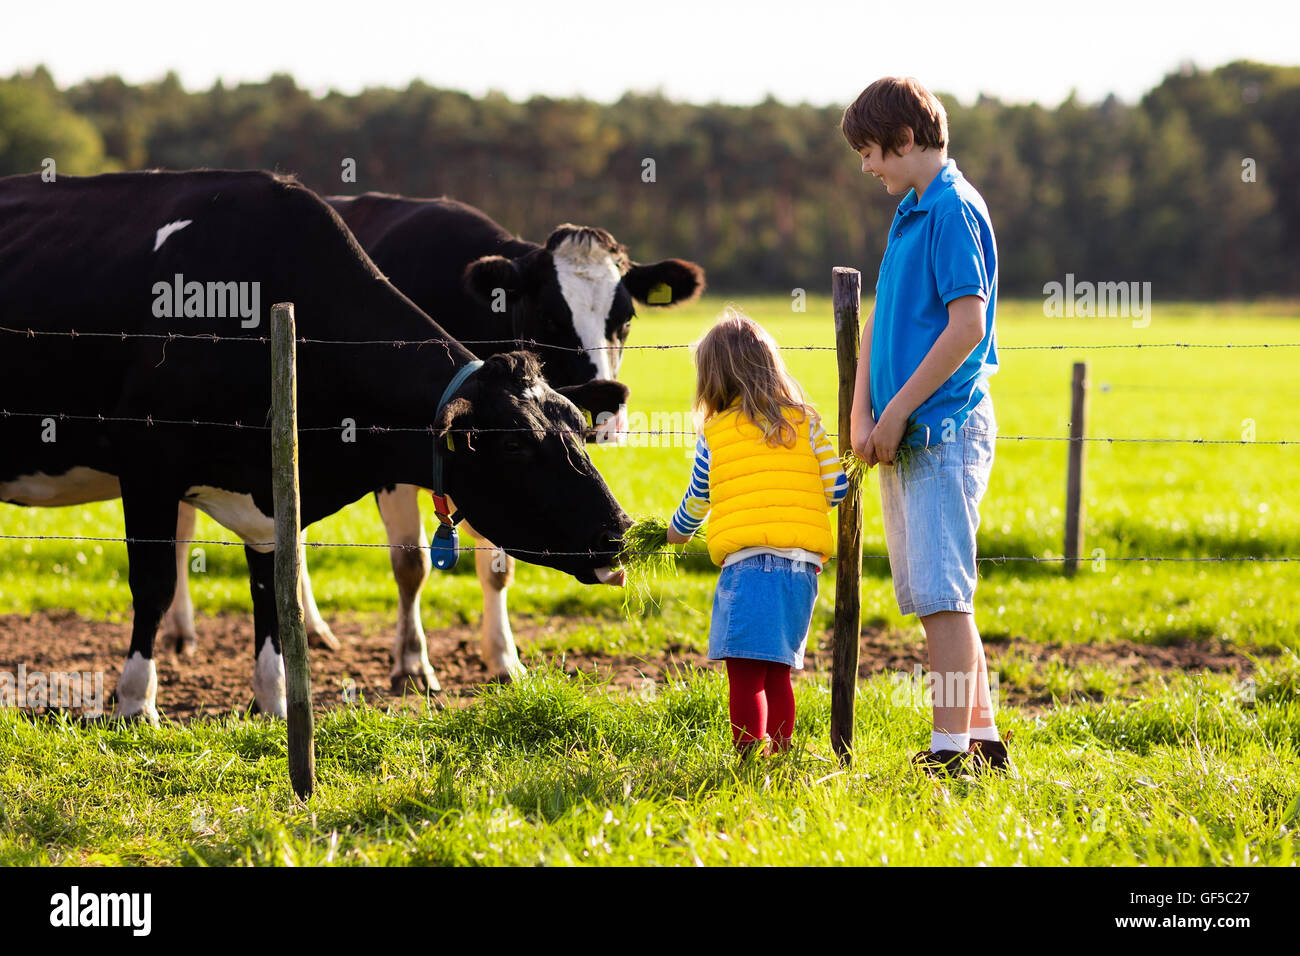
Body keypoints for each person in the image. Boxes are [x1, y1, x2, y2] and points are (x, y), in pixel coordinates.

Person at [841, 76, 1012, 775]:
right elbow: (883, 313)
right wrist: (861, 410)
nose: (866, 166)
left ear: (907, 140)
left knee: (944, 598)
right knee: (935, 595)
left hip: (942, 429)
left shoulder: (952, 209)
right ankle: (985, 740)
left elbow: (968, 325)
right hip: (902, 432)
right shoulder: (912, 209)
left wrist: (902, 408)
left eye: (871, 152)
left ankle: (950, 751)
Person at [666, 305, 847, 755]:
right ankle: (781, 753)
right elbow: (838, 488)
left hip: (748, 567)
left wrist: (676, 533)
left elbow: (699, 496)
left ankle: (748, 757)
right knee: (779, 670)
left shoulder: (717, 432)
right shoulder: (807, 422)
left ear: (712, 379)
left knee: (744, 674)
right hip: (803, 569)